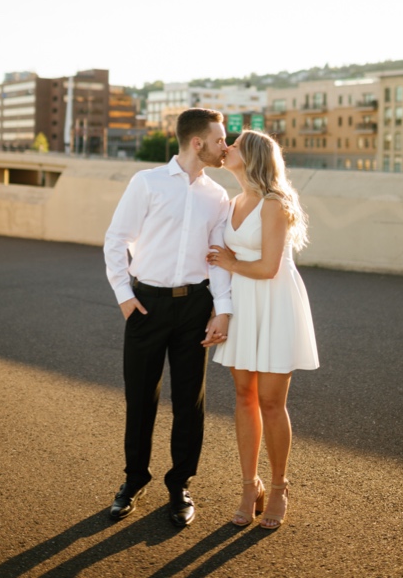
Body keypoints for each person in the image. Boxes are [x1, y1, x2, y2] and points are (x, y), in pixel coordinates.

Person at [100, 108, 235, 527]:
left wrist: (222, 309)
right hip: (147, 304)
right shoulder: (147, 182)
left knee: (190, 402)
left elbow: (216, 258)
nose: (225, 146)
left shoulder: (217, 196)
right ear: (197, 142)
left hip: (195, 306)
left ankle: (180, 485)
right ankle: (134, 480)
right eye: (219, 139)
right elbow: (115, 239)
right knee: (141, 398)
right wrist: (125, 296)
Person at [205, 130, 318, 532]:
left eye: (234, 145)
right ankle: (248, 485)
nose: (226, 147)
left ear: (251, 156)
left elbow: (269, 268)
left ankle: (280, 487)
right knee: (243, 396)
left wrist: (230, 263)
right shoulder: (232, 202)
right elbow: (220, 262)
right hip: (244, 303)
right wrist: (220, 309)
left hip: (274, 303)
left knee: (271, 401)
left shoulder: (274, 203)